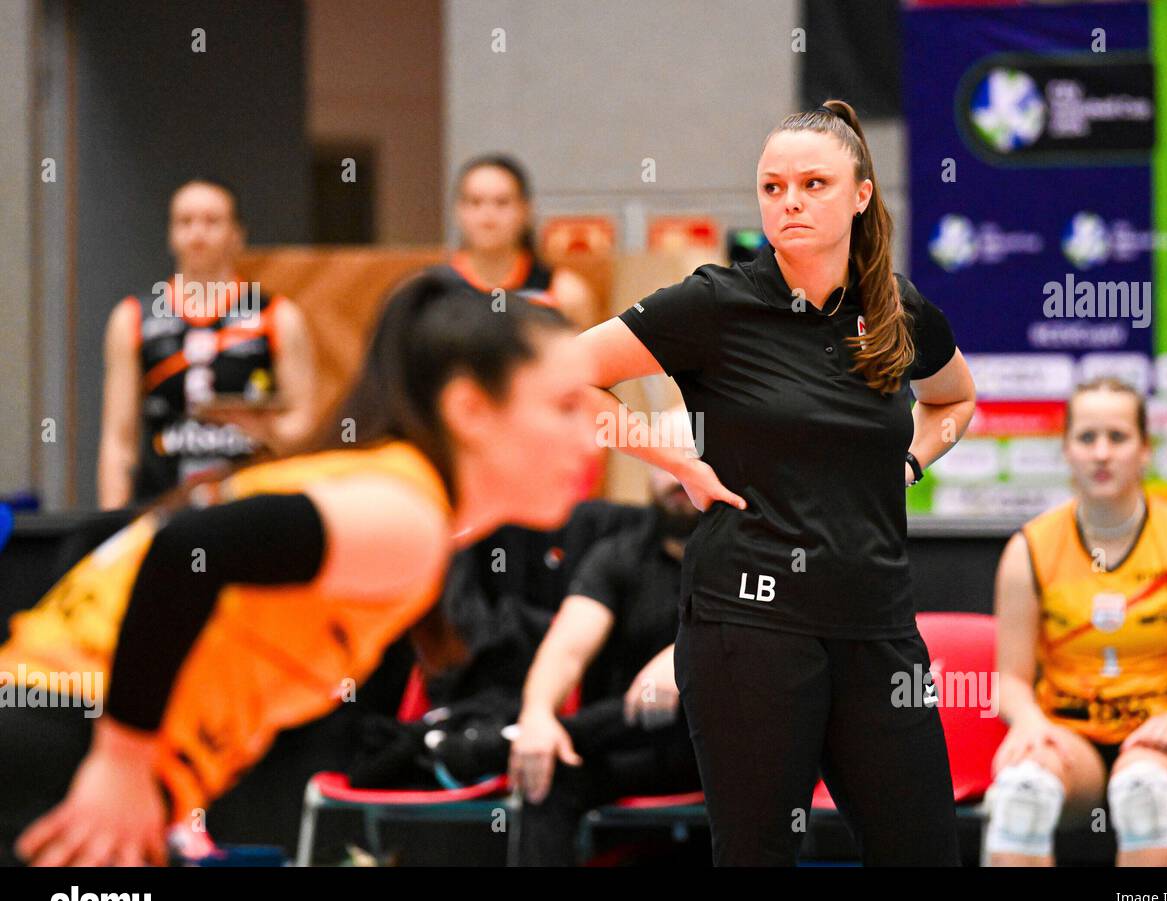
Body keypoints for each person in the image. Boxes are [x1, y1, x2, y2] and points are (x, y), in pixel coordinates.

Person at [0, 273, 595, 866]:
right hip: (64, 739)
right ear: (469, 408)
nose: (590, 440)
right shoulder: (404, 516)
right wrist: (121, 761)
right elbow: (187, 548)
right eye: (565, 406)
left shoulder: (385, 489)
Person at [573, 100, 978, 865]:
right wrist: (674, 459)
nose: (790, 201)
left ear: (861, 194)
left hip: (878, 625)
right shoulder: (717, 303)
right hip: (748, 625)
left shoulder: (897, 307)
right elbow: (566, 377)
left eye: (814, 184)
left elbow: (955, 399)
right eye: (773, 186)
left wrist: (912, 460)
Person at [987, 377, 1167, 867]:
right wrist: (1029, 722)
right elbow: (1010, 681)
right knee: (1022, 791)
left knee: (1141, 789)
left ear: (1145, 449)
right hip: (1070, 736)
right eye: (1086, 438)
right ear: (1066, 449)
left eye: (1118, 437)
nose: (1101, 453)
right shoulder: (1030, 548)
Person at [510, 457, 704, 865]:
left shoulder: (748, 556)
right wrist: (537, 714)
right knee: (549, 769)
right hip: (636, 734)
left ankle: (487, 743)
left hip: (725, 748)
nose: (677, 476)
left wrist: (687, 653)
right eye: (665, 459)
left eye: (691, 457)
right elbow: (567, 648)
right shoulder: (619, 555)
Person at [97, 178, 317, 509]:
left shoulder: (277, 317)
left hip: (250, 507)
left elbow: (306, 423)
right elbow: (118, 440)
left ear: (237, 235)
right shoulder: (132, 318)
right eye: (185, 222)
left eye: (212, 221)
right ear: (171, 234)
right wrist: (111, 528)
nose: (197, 233)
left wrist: (265, 430)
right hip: (162, 505)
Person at [431, 154, 597, 329]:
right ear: (458, 210)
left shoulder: (567, 294)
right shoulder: (429, 293)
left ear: (526, 209)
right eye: (475, 202)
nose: (488, 214)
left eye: (502, 202)